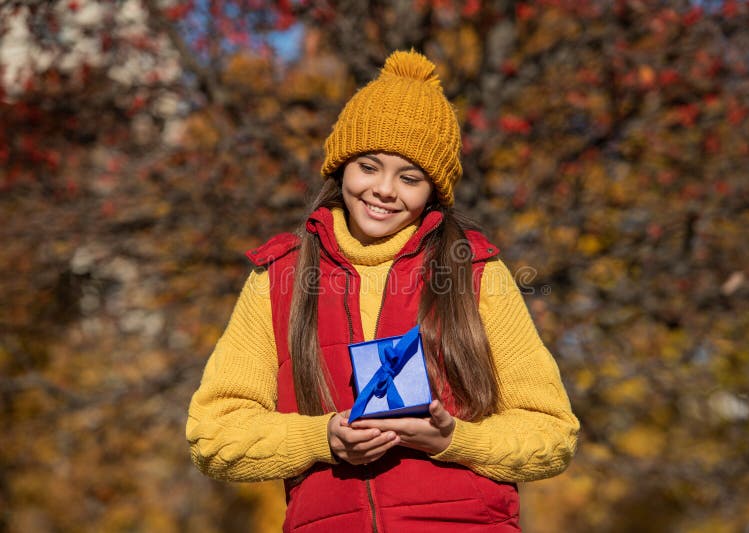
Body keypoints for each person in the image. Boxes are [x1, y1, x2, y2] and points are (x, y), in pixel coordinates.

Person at [186, 49, 579, 532]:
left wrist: (454, 440)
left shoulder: (476, 272)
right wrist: (321, 439)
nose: (385, 190)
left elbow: (552, 433)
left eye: (410, 177)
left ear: (433, 190)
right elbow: (214, 436)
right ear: (342, 166)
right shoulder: (279, 277)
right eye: (369, 167)